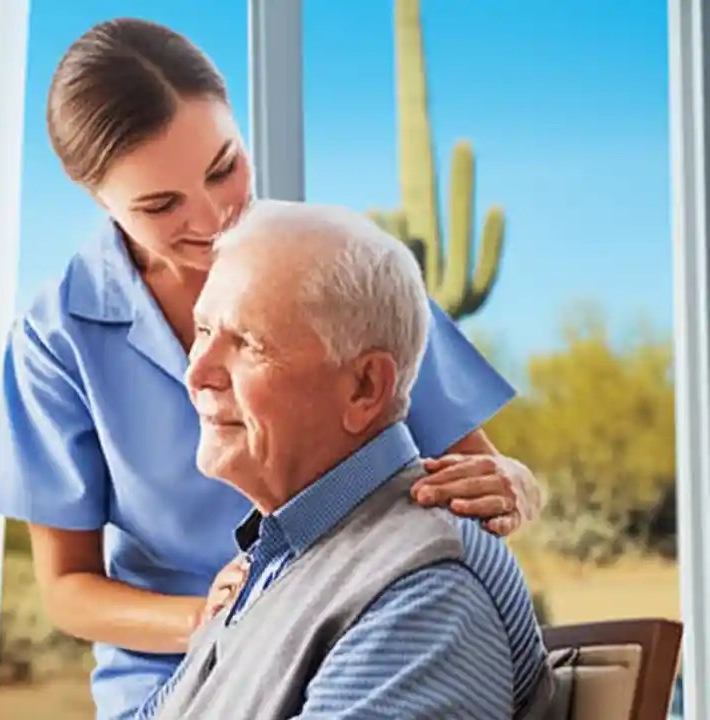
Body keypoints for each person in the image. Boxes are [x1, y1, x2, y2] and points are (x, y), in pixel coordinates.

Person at [0, 17, 544, 720]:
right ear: (99, 199)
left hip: (347, 628)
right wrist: (216, 619)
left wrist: (516, 485)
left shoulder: (337, 269)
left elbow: (471, 477)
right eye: (161, 205)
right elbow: (68, 586)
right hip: (179, 681)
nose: (214, 216)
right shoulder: (56, 339)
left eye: (224, 167)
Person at [137, 199, 551, 719]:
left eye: (248, 343)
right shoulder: (273, 564)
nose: (197, 373)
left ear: (365, 387)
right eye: (203, 332)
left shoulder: (424, 584)